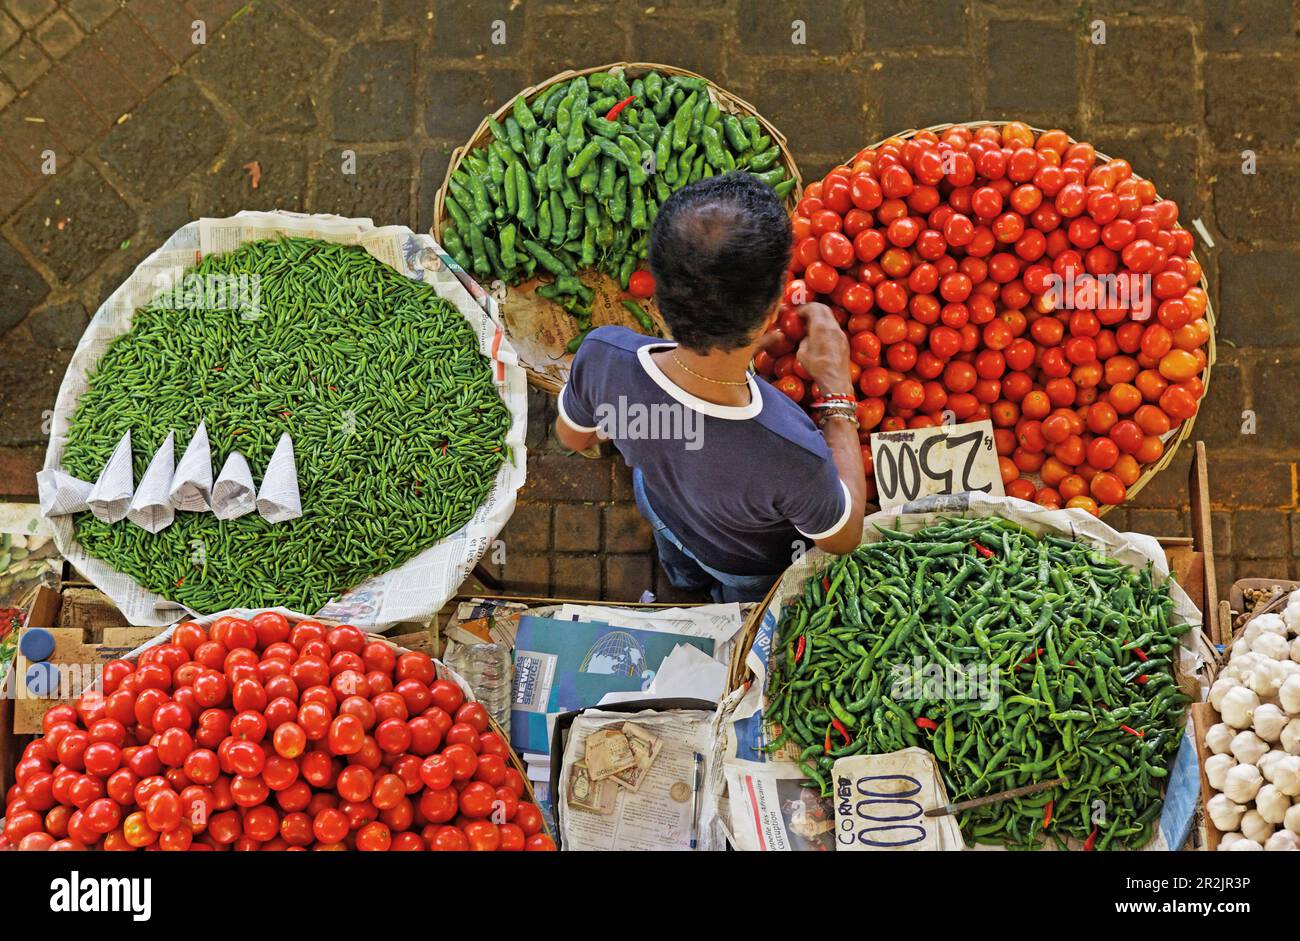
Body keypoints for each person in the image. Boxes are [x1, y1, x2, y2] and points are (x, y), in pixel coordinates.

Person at [554, 172, 865, 602]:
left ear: (657, 298)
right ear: (775, 310)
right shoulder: (795, 452)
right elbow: (844, 536)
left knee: (680, 564)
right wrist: (836, 393)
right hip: (744, 563)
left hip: (663, 511)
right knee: (738, 595)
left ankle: (684, 583)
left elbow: (573, 436)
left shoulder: (603, 354)